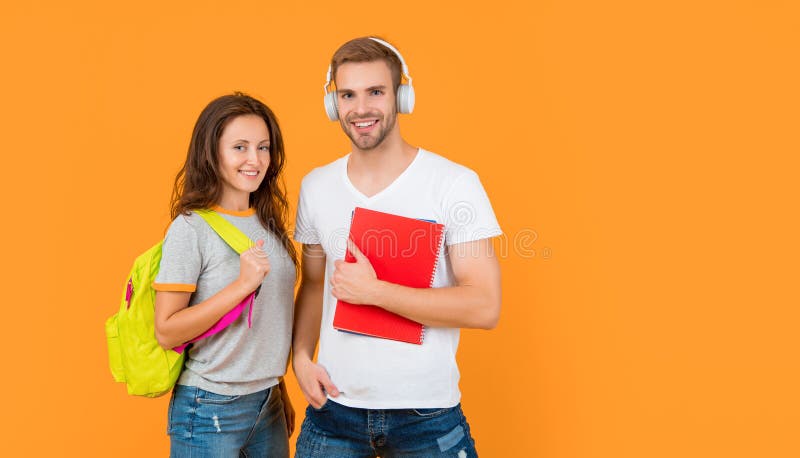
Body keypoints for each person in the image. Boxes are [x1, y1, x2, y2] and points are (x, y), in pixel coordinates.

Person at [292, 37, 503, 457]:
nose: (361, 108)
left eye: (375, 92)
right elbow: (313, 285)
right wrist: (299, 356)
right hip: (334, 410)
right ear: (333, 104)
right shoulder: (315, 187)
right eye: (347, 95)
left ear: (401, 97)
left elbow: (484, 306)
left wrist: (375, 292)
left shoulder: (453, 184)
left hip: (426, 416)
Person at [153, 93, 297, 458]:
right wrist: (242, 286)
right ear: (211, 154)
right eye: (240, 147)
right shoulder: (191, 229)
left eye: (263, 147)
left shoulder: (267, 222)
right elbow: (166, 331)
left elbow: (267, 321)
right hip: (209, 406)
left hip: (267, 402)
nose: (255, 160)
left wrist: (278, 387)